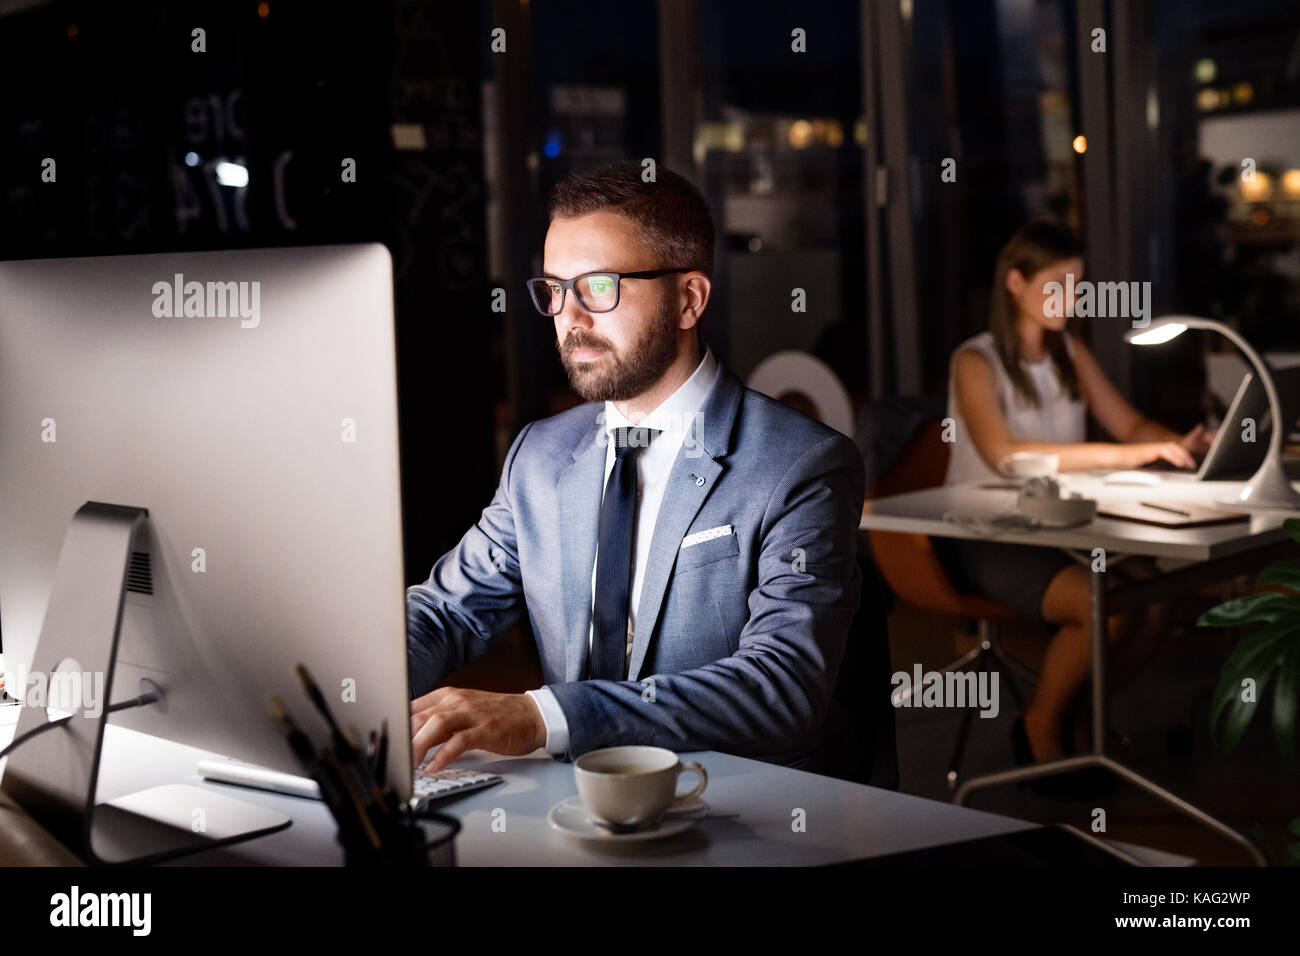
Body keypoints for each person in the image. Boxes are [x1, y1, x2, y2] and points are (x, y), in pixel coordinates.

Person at [406, 161, 867, 778]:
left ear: (688, 299)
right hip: (577, 806)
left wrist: (544, 717)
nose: (571, 319)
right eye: (554, 290)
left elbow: (782, 685)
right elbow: (446, 611)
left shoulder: (801, 465)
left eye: (599, 286)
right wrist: (347, 687)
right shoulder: (538, 458)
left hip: (746, 806)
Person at [935, 220, 1214, 766]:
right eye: (1058, 283)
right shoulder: (976, 360)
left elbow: (1131, 427)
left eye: (1079, 284)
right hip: (984, 532)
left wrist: (1179, 442)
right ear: (1015, 282)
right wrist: (1123, 454)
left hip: (1059, 525)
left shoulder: (1067, 351)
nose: (1073, 298)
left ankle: (1078, 711)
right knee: (1102, 603)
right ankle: (1041, 725)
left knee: (1154, 599)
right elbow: (1006, 455)